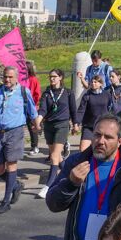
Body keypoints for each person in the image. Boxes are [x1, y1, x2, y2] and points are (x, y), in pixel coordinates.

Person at [0, 66, 42, 215]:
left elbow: (32, 111)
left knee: (11, 165)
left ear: (16, 78)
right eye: (5, 76)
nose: (7, 80)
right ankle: (16, 185)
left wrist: (37, 126)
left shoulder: (23, 92)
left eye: (10, 77)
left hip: (15, 132)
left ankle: (5, 201)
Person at [37, 68, 77, 199]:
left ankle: (48, 186)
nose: (52, 79)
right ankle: (70, 174)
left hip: (62, 125)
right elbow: (42, 109)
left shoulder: (68, 93)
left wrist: (75, 124)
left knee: (54, 156)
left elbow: (73, 110)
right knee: (58, 157)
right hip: (49, 126)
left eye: (54, 76)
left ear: (60, 77)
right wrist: (38, 122)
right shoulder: (47, 93)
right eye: (50, 77)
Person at [75, 74, 115, 153]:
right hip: (89, 126)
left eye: (95, 82)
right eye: (92, 82)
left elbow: (111, 108)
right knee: (83, 150)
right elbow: (81, 110)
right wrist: (76, 123)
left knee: (101, 150)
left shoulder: (107, 95)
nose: (93, 83)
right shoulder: (87, 96)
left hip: (102, 126)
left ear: (100, 84)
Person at [25, 61, 42, 155]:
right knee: (28, 126)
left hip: (32, 106)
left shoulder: (33, 79)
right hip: (23, 106)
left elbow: (37, 93)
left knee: (32, 127)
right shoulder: (22, 80)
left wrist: (35, 104)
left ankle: (34, 146)